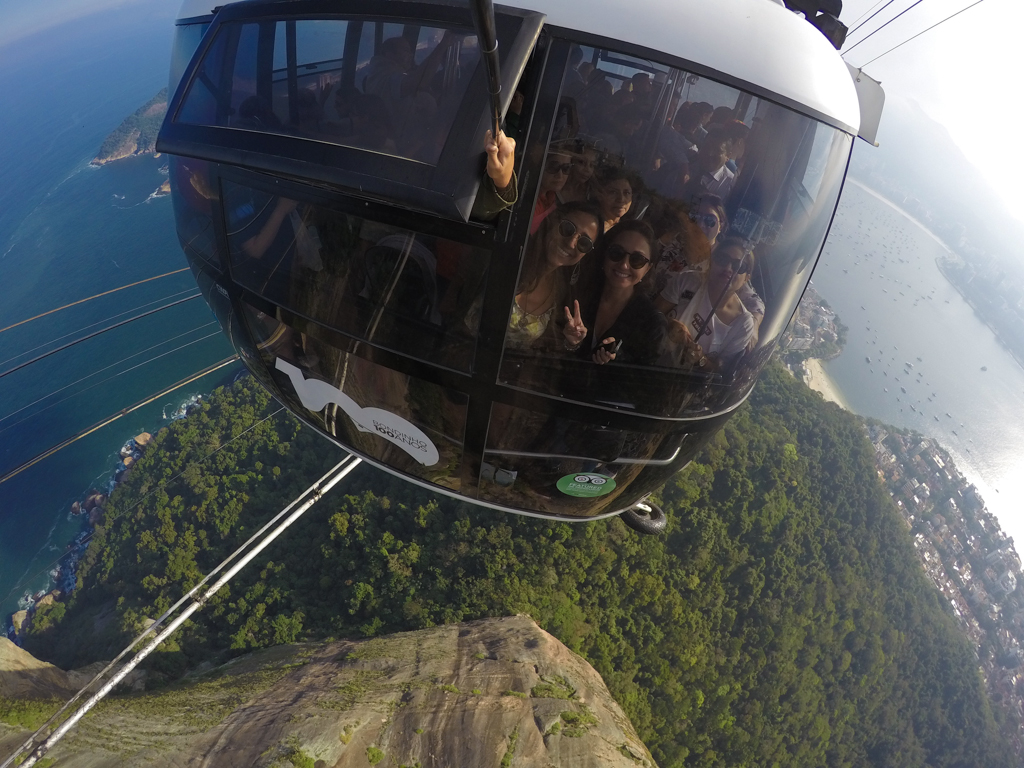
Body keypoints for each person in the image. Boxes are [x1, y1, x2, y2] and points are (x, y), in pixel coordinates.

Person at [564, 220, 665, 365]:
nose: (624, 264)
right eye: (616, 252)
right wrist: (571, 344)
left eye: (637, 259)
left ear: (648, 269)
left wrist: (618, 359)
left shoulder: (652, 323)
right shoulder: (578, 295)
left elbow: (646, 383)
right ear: (605, 254)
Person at [508, 201, 602, 350]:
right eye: (567, 228)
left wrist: (570, 342)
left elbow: (543, 353)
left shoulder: (562, 293)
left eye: (584, 242)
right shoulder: (511, 253)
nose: (571, 243)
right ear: (552, 221)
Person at [655, 236, 756, 369]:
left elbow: (720, 372)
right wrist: (668, 325)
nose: (728, 268)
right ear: (711, 261)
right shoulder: (688, 280)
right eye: (722, 259)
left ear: (746, 278)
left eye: (738, 266)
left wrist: (700, 359)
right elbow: (653, 313)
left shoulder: (743, 323)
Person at [531, 148, 574, 233]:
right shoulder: (529, 201)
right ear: (540, 166)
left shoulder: (552, 197)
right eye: (553, 167)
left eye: (566, 168)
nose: (560, 175)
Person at [593, 165, 634, 232]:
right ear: (599, 194)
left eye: (627, 193)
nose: (621, 199)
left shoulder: (628, 231)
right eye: (614, 192)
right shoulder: (589, 226)